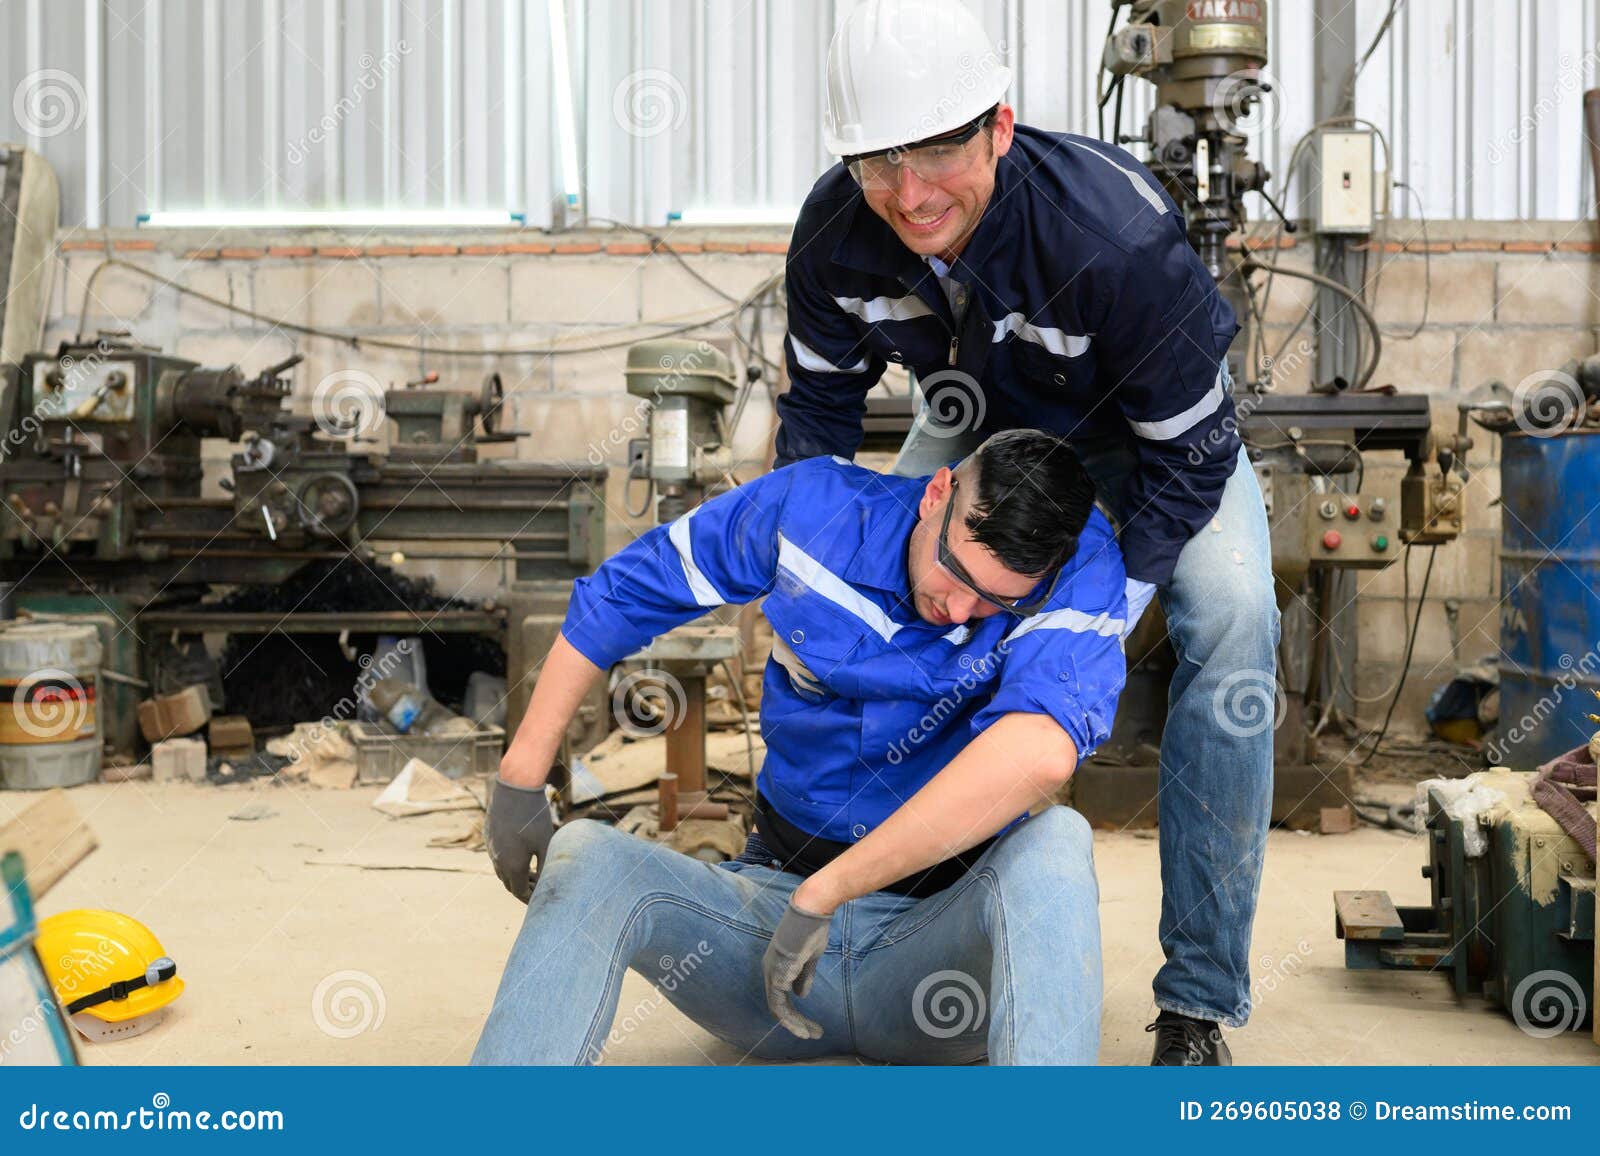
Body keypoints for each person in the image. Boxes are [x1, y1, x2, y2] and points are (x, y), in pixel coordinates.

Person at [775, 0, 1279, 1064]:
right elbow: (818, 425)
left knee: (1234, 621)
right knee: (877, 596)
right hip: (979, 434)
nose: (908, 196)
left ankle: (1197, 999)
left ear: (998, 126)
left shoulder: (1119, 240)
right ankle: (865, 891)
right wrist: (803, 573)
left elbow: (1192, 459)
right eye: (875, 161)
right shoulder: (833, 235)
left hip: (1152, 449)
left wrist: (1103, 608)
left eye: (938, 152)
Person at [474, 430, 1125, 1065]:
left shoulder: (1077, 564)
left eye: (994, 602)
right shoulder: (812, 510)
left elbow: (1039, 752)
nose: (959, 610)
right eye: (953, 571)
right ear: (937, 493)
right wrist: (521, 774)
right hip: (769, 934)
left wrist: (830, 891)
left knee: (1057, 842)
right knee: (588, 854)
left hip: (940, 957)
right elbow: (625, 593)